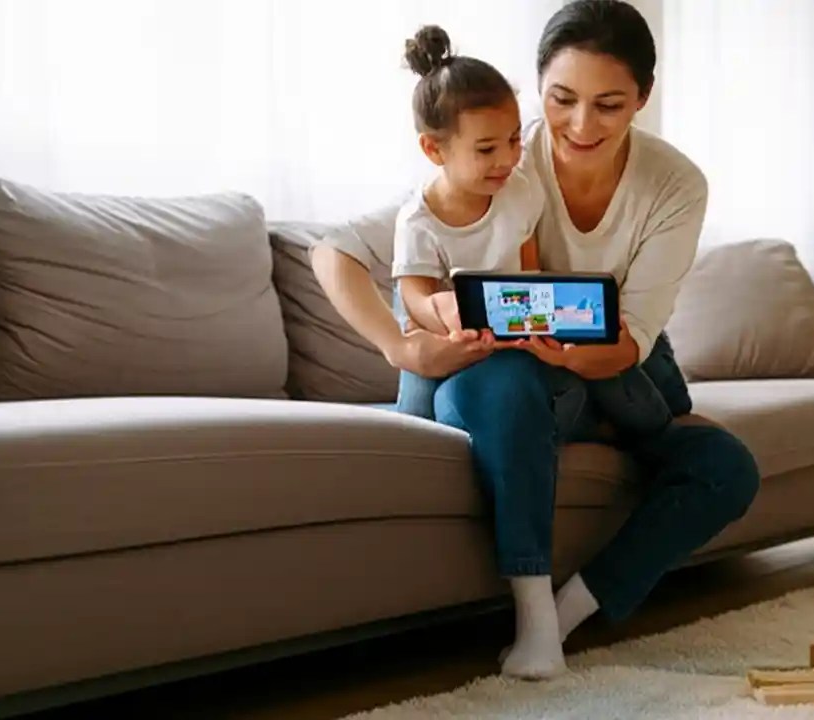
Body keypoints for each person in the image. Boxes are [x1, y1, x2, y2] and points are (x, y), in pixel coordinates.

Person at [313, 0, 759, 680]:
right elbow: (336, 252)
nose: (581, 126)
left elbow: (633, 335)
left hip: (620, 368)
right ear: (538, 90)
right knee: (504, 382)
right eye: (562, 99)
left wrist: (576, 357)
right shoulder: (494, 153)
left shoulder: (673, 184)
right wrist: (402, 348)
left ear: (643, 96)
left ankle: (572, 604)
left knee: (728, 467)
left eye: (609, 104)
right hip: (514, 377)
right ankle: (533, 612)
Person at [391, 24, 677, 444]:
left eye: (513, 140)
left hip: (511, 331)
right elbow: (412, 296)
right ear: (435, 150)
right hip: (445, 334)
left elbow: (530, 265)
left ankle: (657, 430)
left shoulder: (519, 189)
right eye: (488, 149)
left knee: (603, 374)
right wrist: (442, 308)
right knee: (416, 426)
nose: (508, 159)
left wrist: (541, 317)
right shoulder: (418, 219)